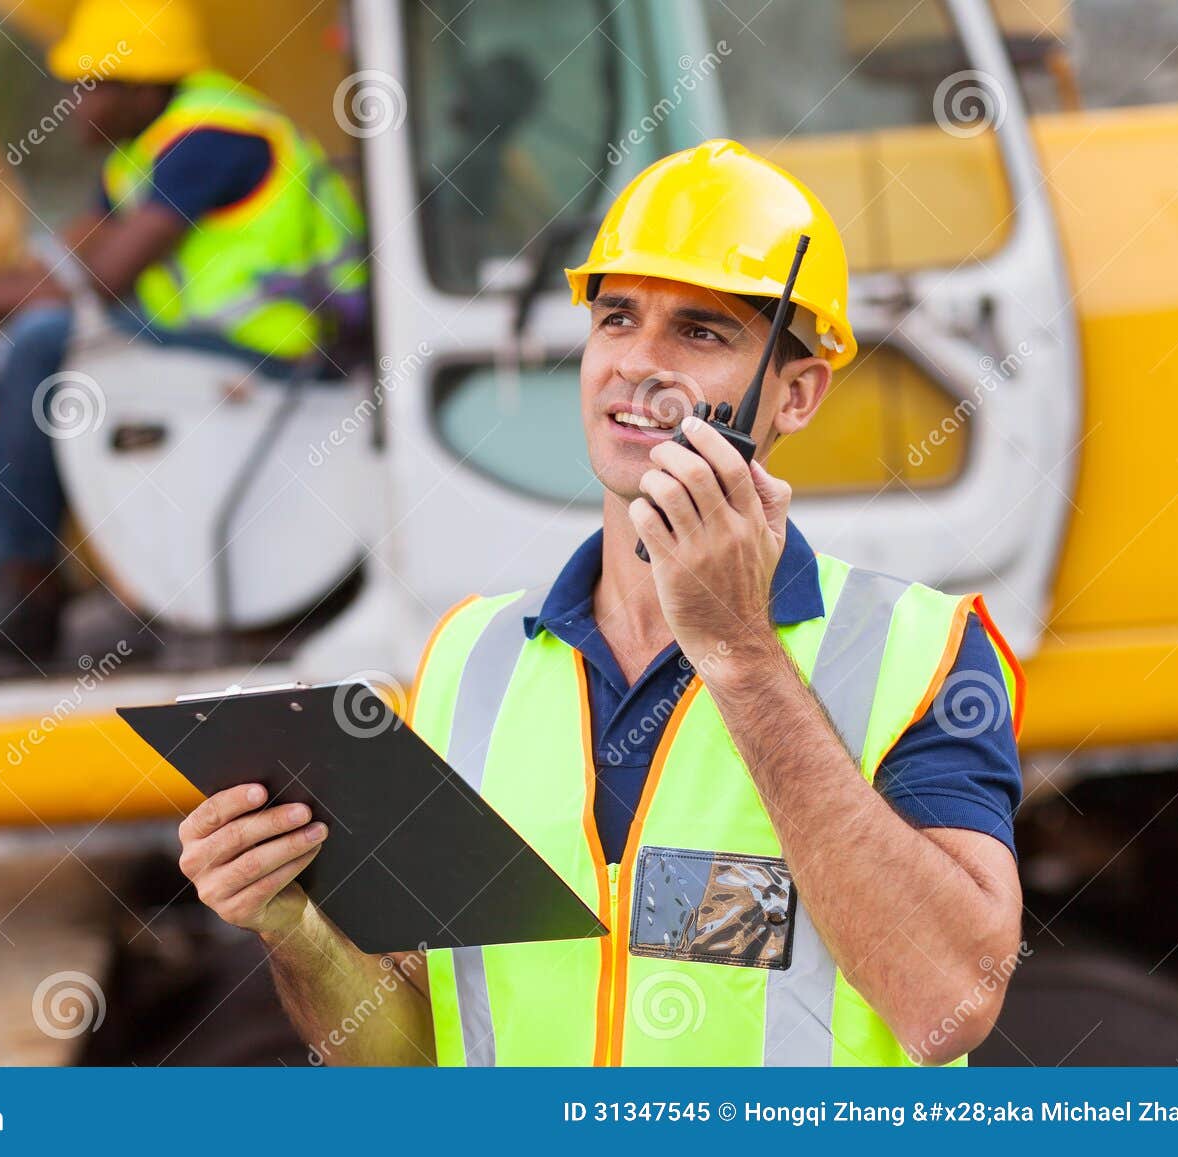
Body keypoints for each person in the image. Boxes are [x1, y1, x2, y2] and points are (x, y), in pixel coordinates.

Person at [176, 140, 1025, 1067]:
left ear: (797, 394)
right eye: (617, 318)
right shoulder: (473, 657)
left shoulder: (916, 652)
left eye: (701, 332)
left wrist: (740, 650)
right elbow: (423, 1058)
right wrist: (295, 929)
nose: (639, 365)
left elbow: (947, 1005)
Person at [0, 0, 367, 659]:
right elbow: (56, 263)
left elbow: (99, 280)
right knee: (33, 332)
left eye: (90, 87)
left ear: (142, 88)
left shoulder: (213, 142)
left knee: (44, 340)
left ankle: (26, 591)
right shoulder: (145, 152)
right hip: (223, 346)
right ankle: (71, 580)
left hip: (287, 353)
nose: (74, 105)